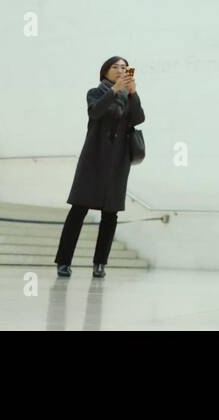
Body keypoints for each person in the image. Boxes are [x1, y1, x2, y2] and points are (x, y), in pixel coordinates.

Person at [54, 56, 145, 278]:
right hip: (94, 159)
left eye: (124, 67)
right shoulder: (95, 92)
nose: (120, 70)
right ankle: (64, 261)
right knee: (78, 211)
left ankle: (100, 264)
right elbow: (95, 112)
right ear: (105, 71)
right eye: (115, 67)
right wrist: (114, 90)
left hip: (118, 161)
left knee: (110, 214)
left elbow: (138, 119)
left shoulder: (128, 96)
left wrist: (133, 94)